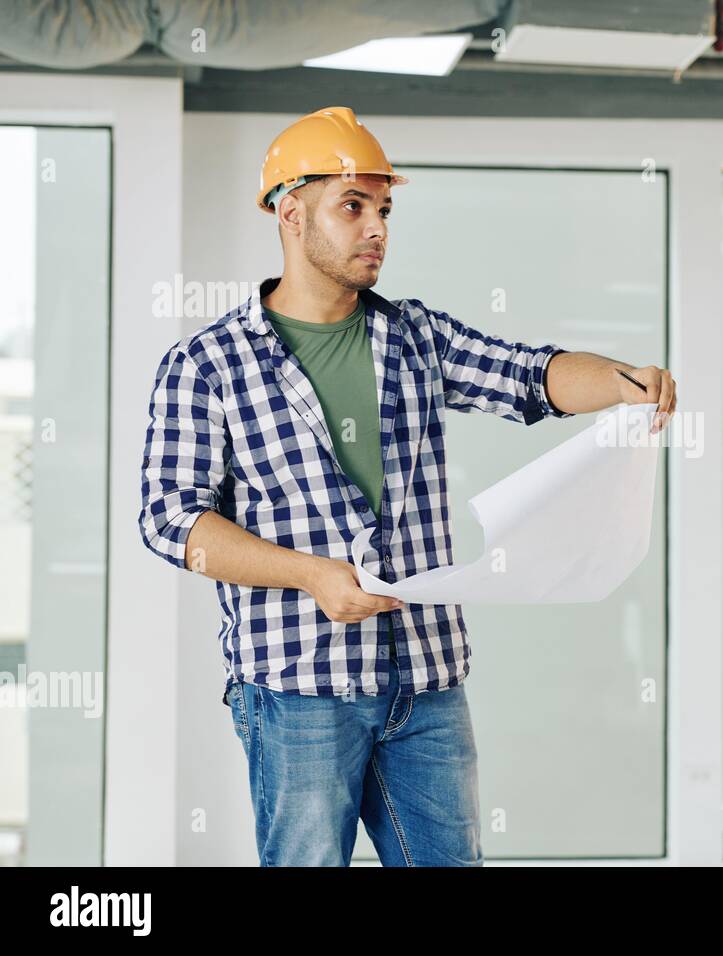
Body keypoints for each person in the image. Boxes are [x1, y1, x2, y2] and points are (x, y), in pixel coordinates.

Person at [137, 106, 676, 866]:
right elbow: (170, 521)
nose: (376, 228)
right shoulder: (208, 364)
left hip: (425, 683)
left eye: (384, 209)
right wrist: (312, 576)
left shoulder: (414, 337)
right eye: (352, 206)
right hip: (298, 688)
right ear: (291, 214)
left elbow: (531, 375)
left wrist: (626, 382)